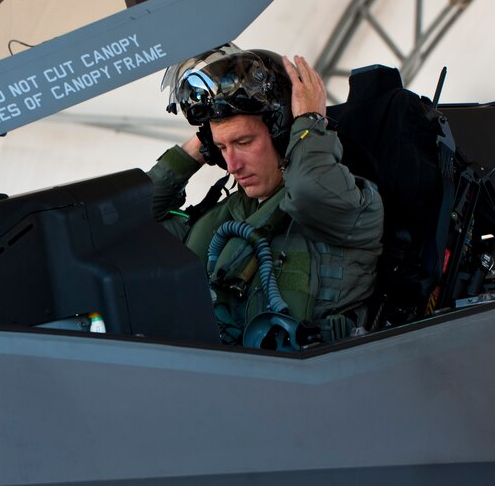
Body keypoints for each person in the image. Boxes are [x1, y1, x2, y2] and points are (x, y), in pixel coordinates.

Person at [149, 45, 383, 347]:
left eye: (244, 142)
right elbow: (129, 224)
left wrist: (309, 121)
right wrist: (202, 142)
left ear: (282, 132)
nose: (232, 165)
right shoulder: (230, 214)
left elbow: (308, 188)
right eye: (222, 148)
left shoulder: (351, 205)